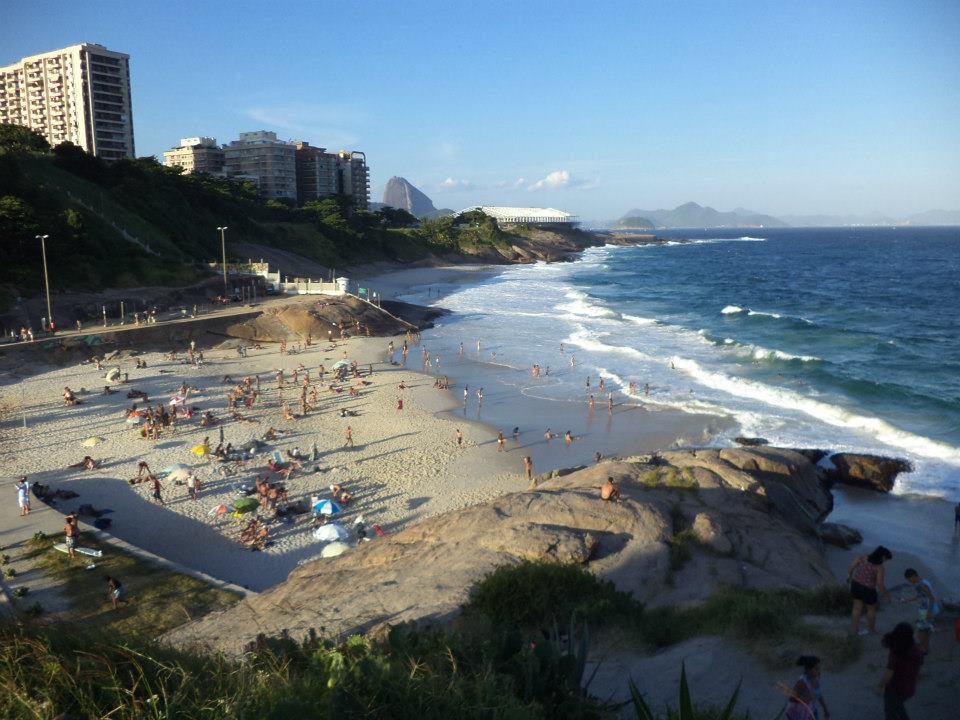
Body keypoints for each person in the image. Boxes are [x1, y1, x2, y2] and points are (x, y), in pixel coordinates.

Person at [876, 622, 923, 720]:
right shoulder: (916, 651)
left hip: (894, 688)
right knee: (898, 707)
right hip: (909, 686)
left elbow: (889, 673)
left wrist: (880, 685)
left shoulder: (896, 652)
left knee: (891, 711)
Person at [847, 545, 892, 635]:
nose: (885, 561)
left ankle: (854, 629)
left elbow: (850, 568)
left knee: (856, 608)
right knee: (871, 610)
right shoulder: (879, 567)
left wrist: (850, 577)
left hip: (855, 585)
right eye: (886, 559)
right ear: (883, 557)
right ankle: (872, 629)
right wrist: (886, 593)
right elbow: (880, 583)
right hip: (868, 590)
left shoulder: (862, 558)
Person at [903, 568, 940, 653]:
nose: (909, 581)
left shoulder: (922, 585)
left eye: (909, 579)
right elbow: (921, 596)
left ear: (913, 576)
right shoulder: (922, 582)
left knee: (921, 631)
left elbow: (931, 598)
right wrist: (908, 600)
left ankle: (922, 648)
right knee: (925, 630)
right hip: (926, 610)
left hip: (927, 610)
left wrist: (929, 613)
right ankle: (925, 649)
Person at [786, 656, 831, 720]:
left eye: (819, 668)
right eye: (816, 669)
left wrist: (825, 709)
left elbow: (819, 695)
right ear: (808, 670)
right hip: (799, 714)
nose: (819, 671)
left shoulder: (816, 679)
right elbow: (791, 698)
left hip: (811, 711)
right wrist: (805, 698)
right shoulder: (802, 683)